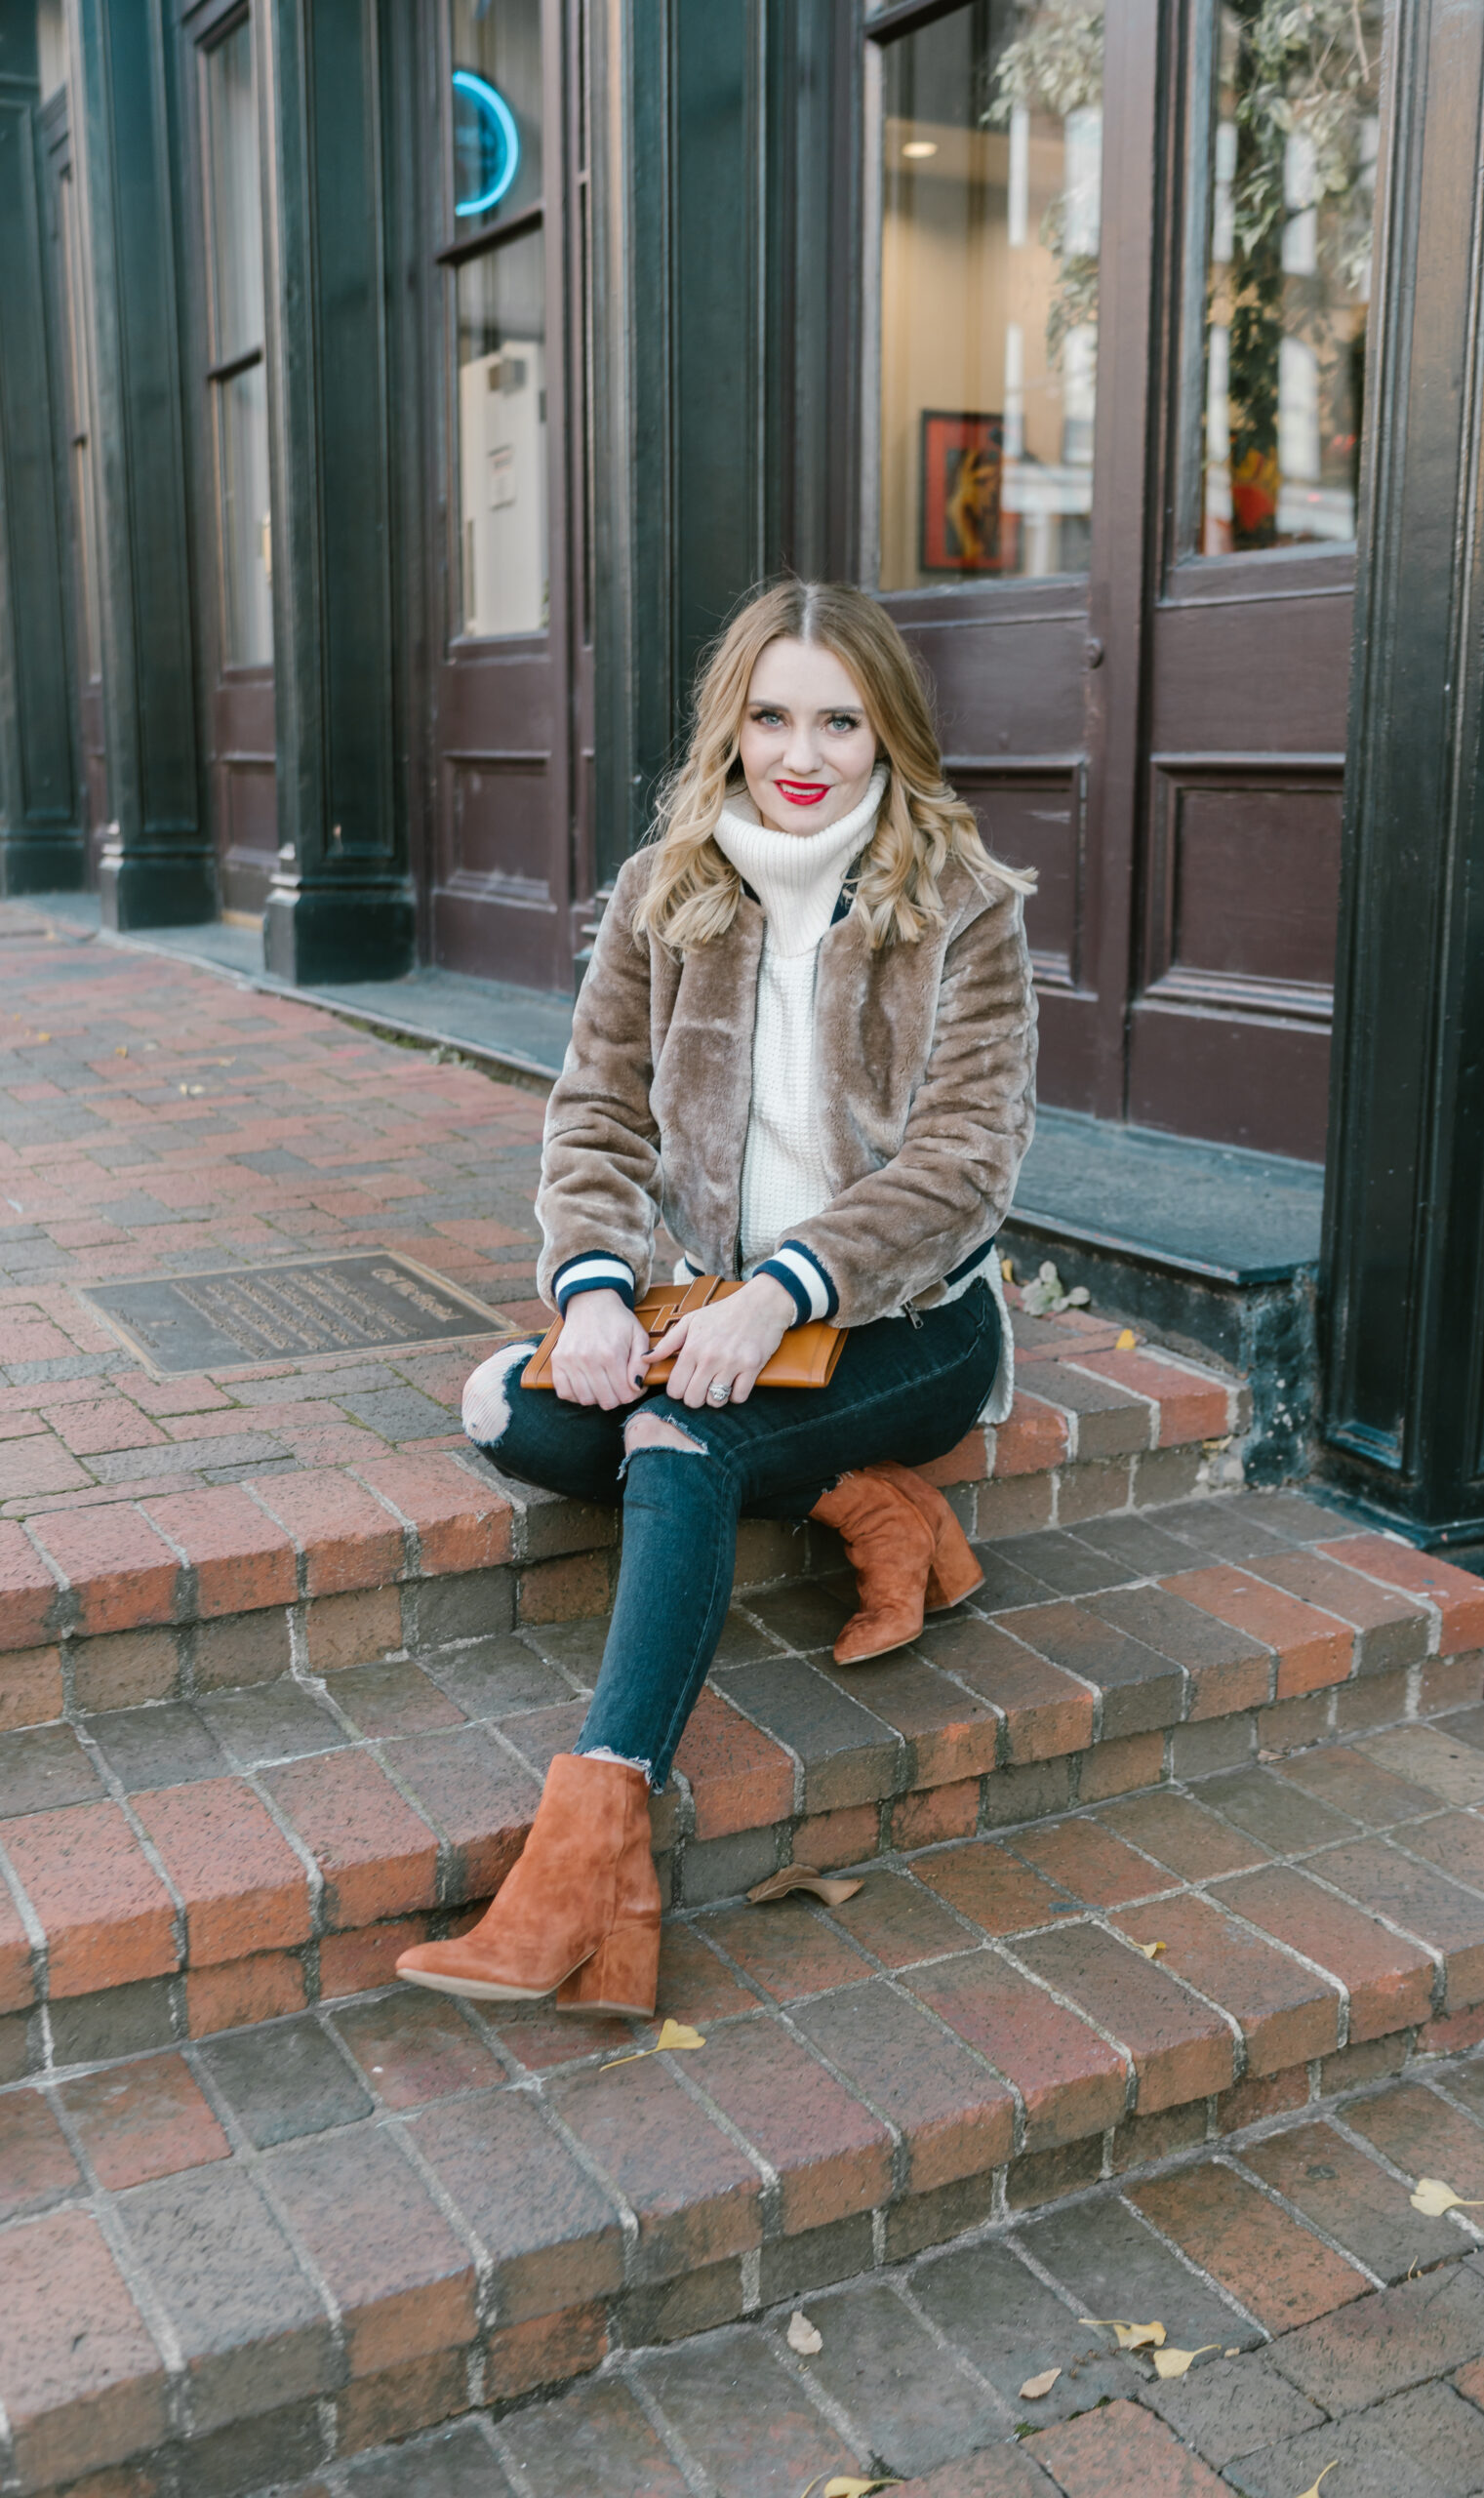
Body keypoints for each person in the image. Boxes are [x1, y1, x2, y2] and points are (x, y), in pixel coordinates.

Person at [397, 579, 1037, 2019]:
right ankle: (866, 1502)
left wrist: (791, 1285)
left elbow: (965, 1163)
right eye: (770, 717)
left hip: (907, 1321)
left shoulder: (963, 911)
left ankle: (594, 1862)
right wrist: (603, 1291)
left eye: (839, 722)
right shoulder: (664, 892)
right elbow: (596, 1120)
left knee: (679, 1445)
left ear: (889, 739)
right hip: (703, 1304)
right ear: (729, 728)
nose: (801, 754)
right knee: (511, 1405)